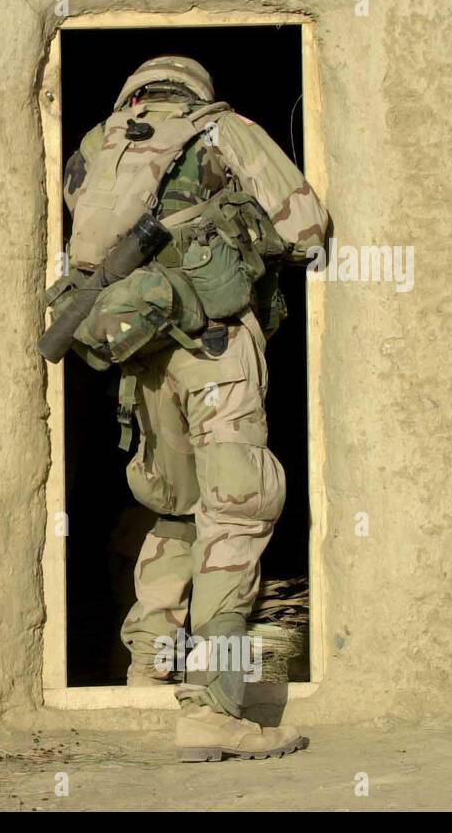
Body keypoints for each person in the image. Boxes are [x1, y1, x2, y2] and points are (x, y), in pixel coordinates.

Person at [58, 55, 328, 761]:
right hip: (213, 347)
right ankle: (212, 706)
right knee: (238, 506)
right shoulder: (219, 130)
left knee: (174, 506)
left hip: (140, 354)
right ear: (197, 90)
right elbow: (305, 227)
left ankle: (146, 663)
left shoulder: (94, 147)